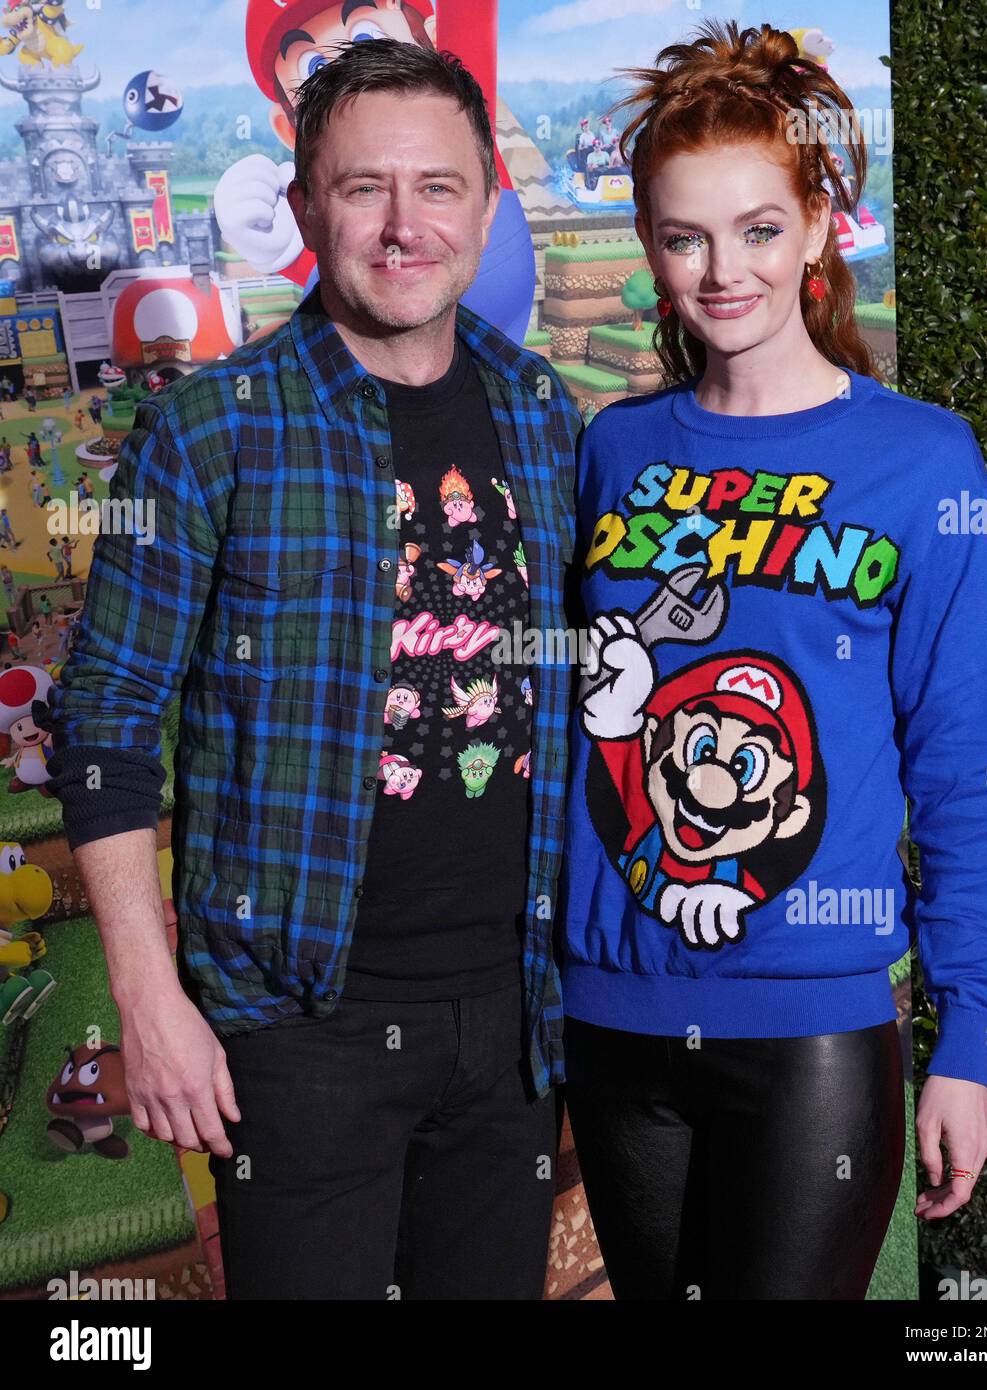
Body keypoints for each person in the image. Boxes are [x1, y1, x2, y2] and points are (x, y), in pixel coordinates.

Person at [45, 39, 583, 1300]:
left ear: (488, 201)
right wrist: (148, 999)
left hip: (517, 1013)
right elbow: (106, 719)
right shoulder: (208, 429)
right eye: (362, 189)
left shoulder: (540, 409)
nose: (403, 227)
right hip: (296, 1022)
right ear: (302, 209)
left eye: (437, 188)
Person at [557, 19, 987, 1300]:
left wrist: (964, 1035)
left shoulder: (922, 462)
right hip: (610, 1021)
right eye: (684, 235)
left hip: (811, 1026)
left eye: (758, 228)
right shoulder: (613, 450)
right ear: (648, 245)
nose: (722, 270)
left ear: (820, 227)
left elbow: (965, 762)